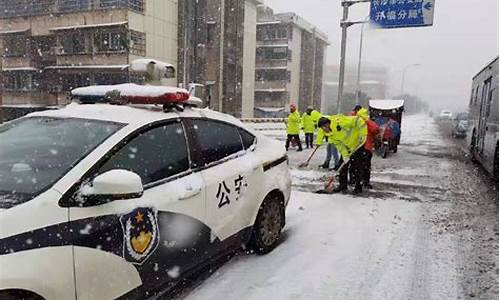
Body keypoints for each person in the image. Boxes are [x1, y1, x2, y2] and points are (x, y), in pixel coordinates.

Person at [317, 114, 367, 194]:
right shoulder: (330, 135)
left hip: (358, 144)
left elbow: (358, 120)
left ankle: (358, 186)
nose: (323, 130)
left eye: (323, 127)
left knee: (357, 167)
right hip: (348, 148)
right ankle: (342, 186)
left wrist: (363, 134)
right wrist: (345, 156)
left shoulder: (339, 122)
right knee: (343, 165)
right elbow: (339, 145)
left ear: (327, 124)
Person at [356, 106, 380, 189]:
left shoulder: (359, 121)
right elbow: (376, 129)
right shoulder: (368, 122)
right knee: (365, 166)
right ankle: (365, 182)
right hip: (366, 148)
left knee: (358, 166)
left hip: (360, 147)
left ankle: (358, 182)